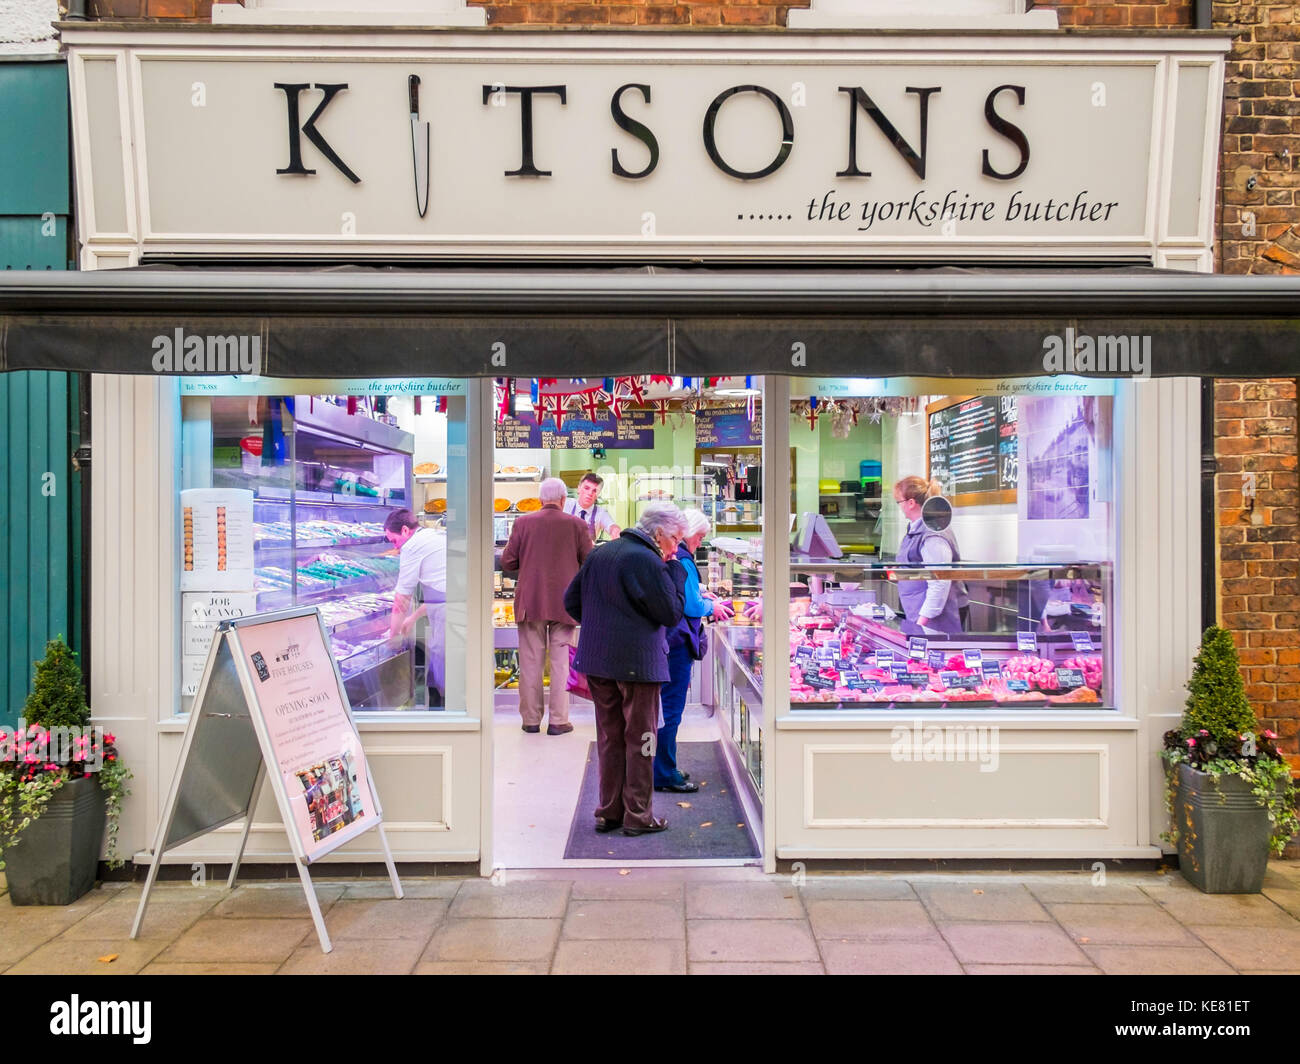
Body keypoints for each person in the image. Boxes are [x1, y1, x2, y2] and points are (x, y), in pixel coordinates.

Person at [563, 503, 687, 837]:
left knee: (610, 738)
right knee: (643, 739)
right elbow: (671, 612)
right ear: (658, 533)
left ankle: (609, 812)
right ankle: (638, 814)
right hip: (639, 665)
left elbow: (571, 601)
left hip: (599, 662)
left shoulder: (601, 553)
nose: (676, 547)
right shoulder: (648, 561)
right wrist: (676, 571)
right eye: (675, 538)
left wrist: (601, 627)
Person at [500, 477, 594, 735]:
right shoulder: (577, 524)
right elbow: (591, 560)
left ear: (540, 499)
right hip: (565, 605)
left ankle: (530, 720)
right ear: (564, 500)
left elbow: (507, 562)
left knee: (531, 663)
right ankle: (558, 720)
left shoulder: (522, 523)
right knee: (561, 663)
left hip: (530, 604)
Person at [655, 509, 733, 794]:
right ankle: (663, 772)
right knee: (671, 708)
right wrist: (713, 606)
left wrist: (701, 591)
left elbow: (686, 593)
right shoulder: (684, 558)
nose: (699, 543)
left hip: (666, 640)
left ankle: (665, 765)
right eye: (699, 536)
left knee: (667, 707)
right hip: (677, 641)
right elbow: (689, 606)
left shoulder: (678, 558)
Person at [384, 508, 448, 706]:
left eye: (394, 540)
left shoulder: (412, 546)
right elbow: (442, 587)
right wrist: (413, 618)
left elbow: (402, 597)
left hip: (450, 616)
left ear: (405, 531)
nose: (396, 547)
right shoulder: (434, 535)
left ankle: (447, 718)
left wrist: (393, 636)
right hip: (456, 608)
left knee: (445, 669)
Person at [892, 476, 969, 635]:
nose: (899, 507)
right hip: (919, 610)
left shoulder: (933, 533)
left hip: (935, 616)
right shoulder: (916, 529)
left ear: (911, 503)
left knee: (938, 657)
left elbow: (939, 582)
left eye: (899, 502)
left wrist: (921, 622)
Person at [562, 472, 621, 542]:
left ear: (598, 494)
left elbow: (611, 525)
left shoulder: (601, 513)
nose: (590, 493)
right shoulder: (564, 504)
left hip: (588, 552)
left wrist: (615, 531)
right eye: (586, 488)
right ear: (579, 489)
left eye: (594, 491)